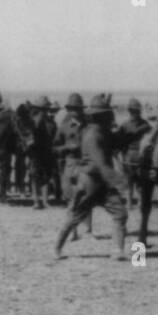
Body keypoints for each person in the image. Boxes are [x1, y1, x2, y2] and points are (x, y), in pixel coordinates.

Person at [56, 94, 128, 261]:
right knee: (74, 217)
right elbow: (101, 163)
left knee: (120, 213)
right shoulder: (93, 135)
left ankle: (118, 250)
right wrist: (119, 181)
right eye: (106, 115)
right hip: (90, 181)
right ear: (101, 117)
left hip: (100, 182)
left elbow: (116, 143)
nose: (109, 118)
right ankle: (56, 248)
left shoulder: (102, 132)